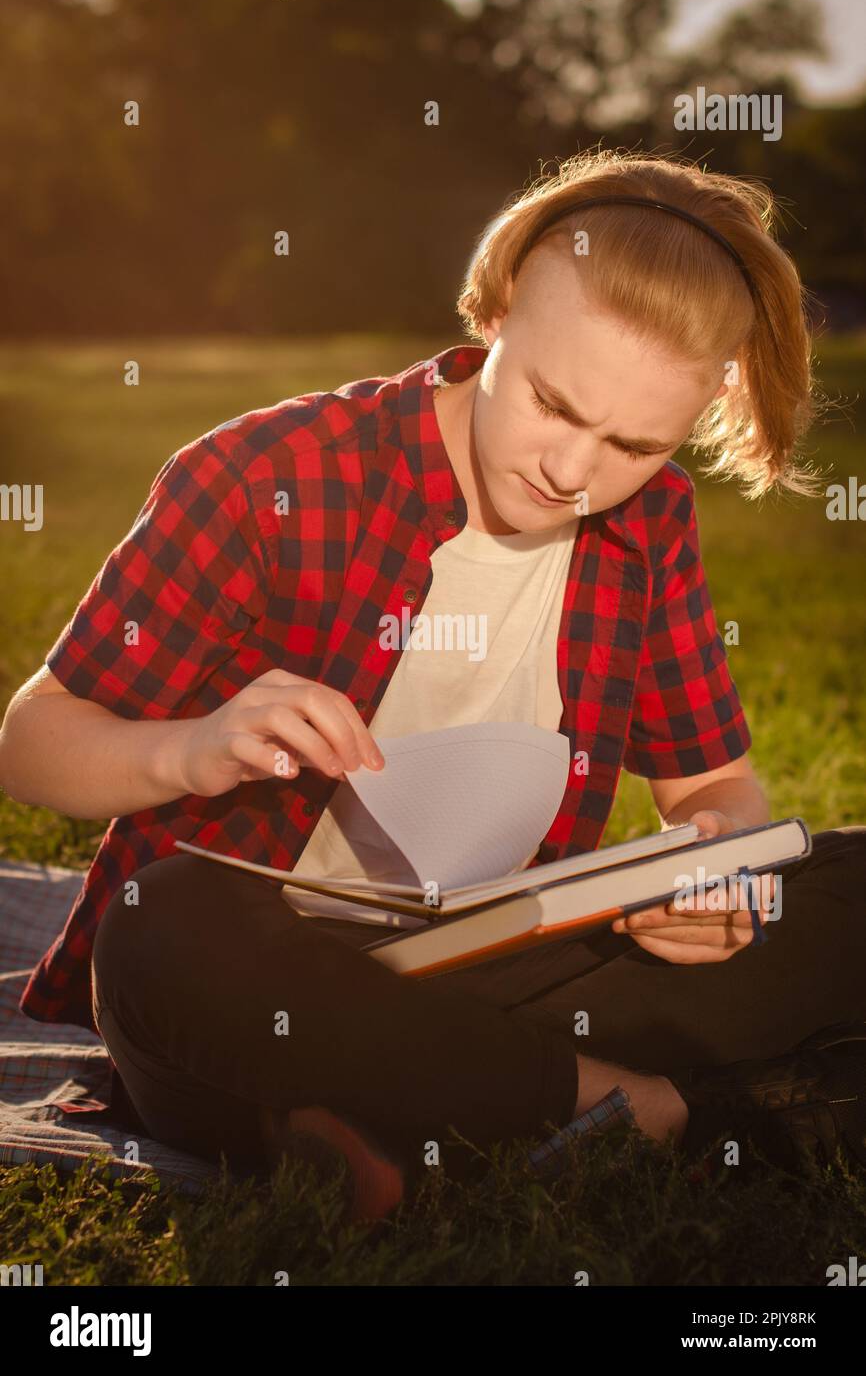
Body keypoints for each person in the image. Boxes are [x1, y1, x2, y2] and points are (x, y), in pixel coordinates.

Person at [1, 149, 864, 1224]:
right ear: (495, 310)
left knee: (844, 883)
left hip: (491, 977)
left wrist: (715, 878)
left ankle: (413, 1128)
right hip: (256, 984)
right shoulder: (270, 472)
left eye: (633, 444)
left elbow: (715, 794)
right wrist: (185, 747)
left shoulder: (650, 524)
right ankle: (660, 1111)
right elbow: (32, 738)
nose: (571, 471)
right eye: (553, 404)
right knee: (157, 927)